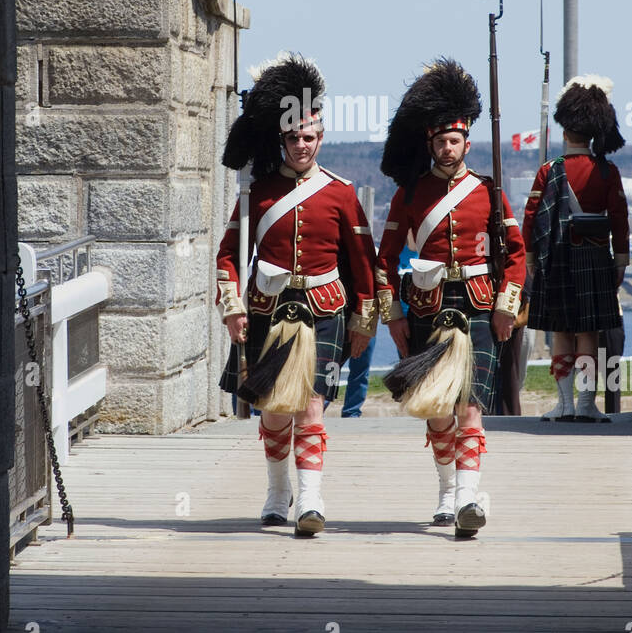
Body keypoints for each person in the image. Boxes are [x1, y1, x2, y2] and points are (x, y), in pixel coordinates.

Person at [215, 52, 377, 534]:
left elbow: (362, 263)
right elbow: (228, 255)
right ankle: (276, 490)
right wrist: (232, 307)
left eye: (309, 137)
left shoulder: (341, 193)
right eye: (293, 138)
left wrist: (364, 322)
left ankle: (310, 499)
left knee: (311, 408)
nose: (301, 145)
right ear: (281, 139)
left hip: (324, 313)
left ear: (320, 138)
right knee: (274, 412)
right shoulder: (256, 193)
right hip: (267, 310)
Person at [375, 59, 526, 537]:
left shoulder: (489, 191)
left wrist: (507, 306)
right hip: (426, 309)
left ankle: (466, 497)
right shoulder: (410, 194)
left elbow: (517, 254)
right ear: (431, 144)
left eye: (454, 140)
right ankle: (446, 489)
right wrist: (392, 315)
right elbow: (385, 261)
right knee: (439, 411)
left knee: (472, 406)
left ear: (467, 142)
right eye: (440, 141)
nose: (447, 148)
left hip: (480, 308)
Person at [522, 75, 629, 423]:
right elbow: (619, 218)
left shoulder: (547, 171)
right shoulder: (607, 171)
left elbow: (531, 218)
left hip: (555, 257)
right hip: (595, 256)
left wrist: (531, 259)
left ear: (565, 130)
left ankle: (564, 403)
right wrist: (621, 260)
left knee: (561, 332)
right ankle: (585, 404)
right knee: (588, 333)